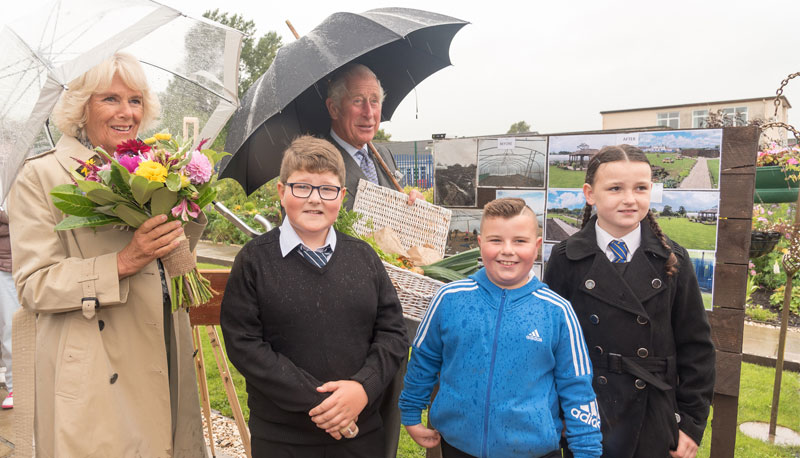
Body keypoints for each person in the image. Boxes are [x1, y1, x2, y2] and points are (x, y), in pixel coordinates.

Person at [8, 52, 209, 457]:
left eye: (135, 100)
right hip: (96, 369)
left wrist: (187, 209)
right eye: (110, 99)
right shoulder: (40, 176)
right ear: (81, 107)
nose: (127, 113)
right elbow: (34, 284)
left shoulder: (155, 170)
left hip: (164, 350)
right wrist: (121, 263)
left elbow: (169, 262)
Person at [220, 135, 408, 458]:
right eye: (301, 187)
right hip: (284, 440)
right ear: (281, 192)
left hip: (360, 436)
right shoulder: (254, 262)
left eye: (327, 189)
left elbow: (393, 334)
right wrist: (322, 404)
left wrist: (363, 388)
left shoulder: (364, 258)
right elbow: (245, 345)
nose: (315, 200)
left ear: (342, 195)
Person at [543, 145, 715, 458]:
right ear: (590, 193)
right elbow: (551, 345)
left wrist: (690, 422)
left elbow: (697, 347)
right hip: (586, 410)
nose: (629, 199)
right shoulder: (566, 258)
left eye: (640, 188)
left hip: (652, 412)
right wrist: (557, 410)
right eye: (615, 188)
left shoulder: (672, 259)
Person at [399, 197, 602, 458]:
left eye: (520, 241)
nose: (508, 250)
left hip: (535, 451)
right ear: (480, 244)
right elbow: (424, 359)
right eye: (496, 240)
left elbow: (577, 386)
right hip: (458, 447)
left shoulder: (556, 311)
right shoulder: (449, 298)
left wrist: (587, 449)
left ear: (537, 247)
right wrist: (411, 411)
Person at [324, 63, 424, 209]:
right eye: (357, 101)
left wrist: (411, 207)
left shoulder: (384, 154)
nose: (369, 113)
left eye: (374, 101)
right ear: (334, 109)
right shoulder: (313, 162)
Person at [0, 206, 19, 409]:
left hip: (21, 262)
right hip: (6, 265)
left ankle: (18, 385)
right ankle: (17, 385)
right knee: (10, 327)